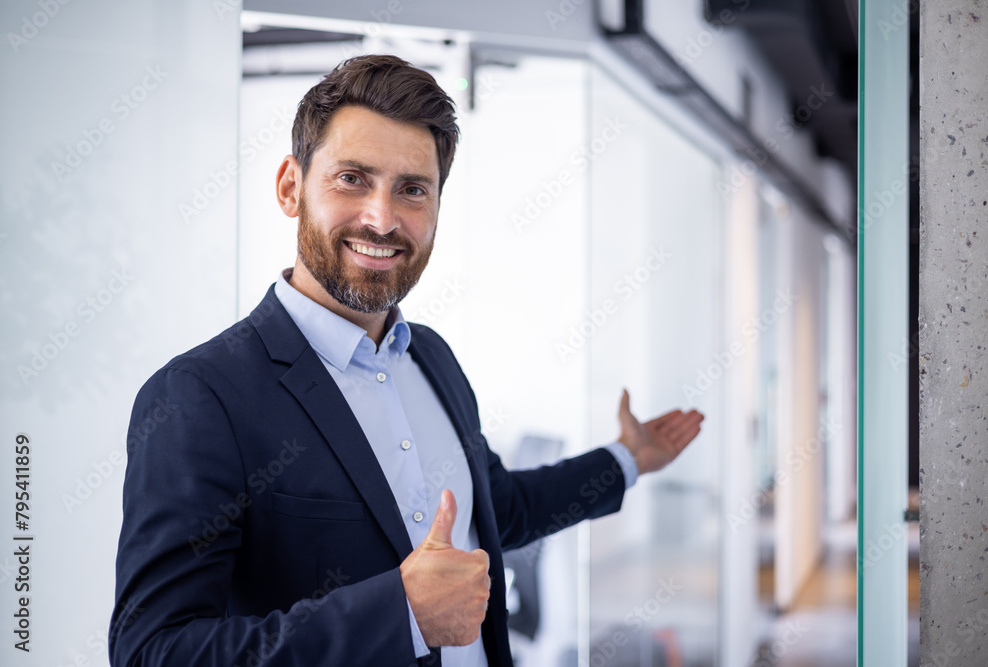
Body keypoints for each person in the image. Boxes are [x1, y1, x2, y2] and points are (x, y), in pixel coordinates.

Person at [109, 54, 704, 667]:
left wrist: (628, 460)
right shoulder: (200, 397)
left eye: (412, 190)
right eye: (352, 179)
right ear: (291, 187)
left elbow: (496, 509)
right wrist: (403, 615)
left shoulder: (432, 358)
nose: (382, 218)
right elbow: (154, 651)